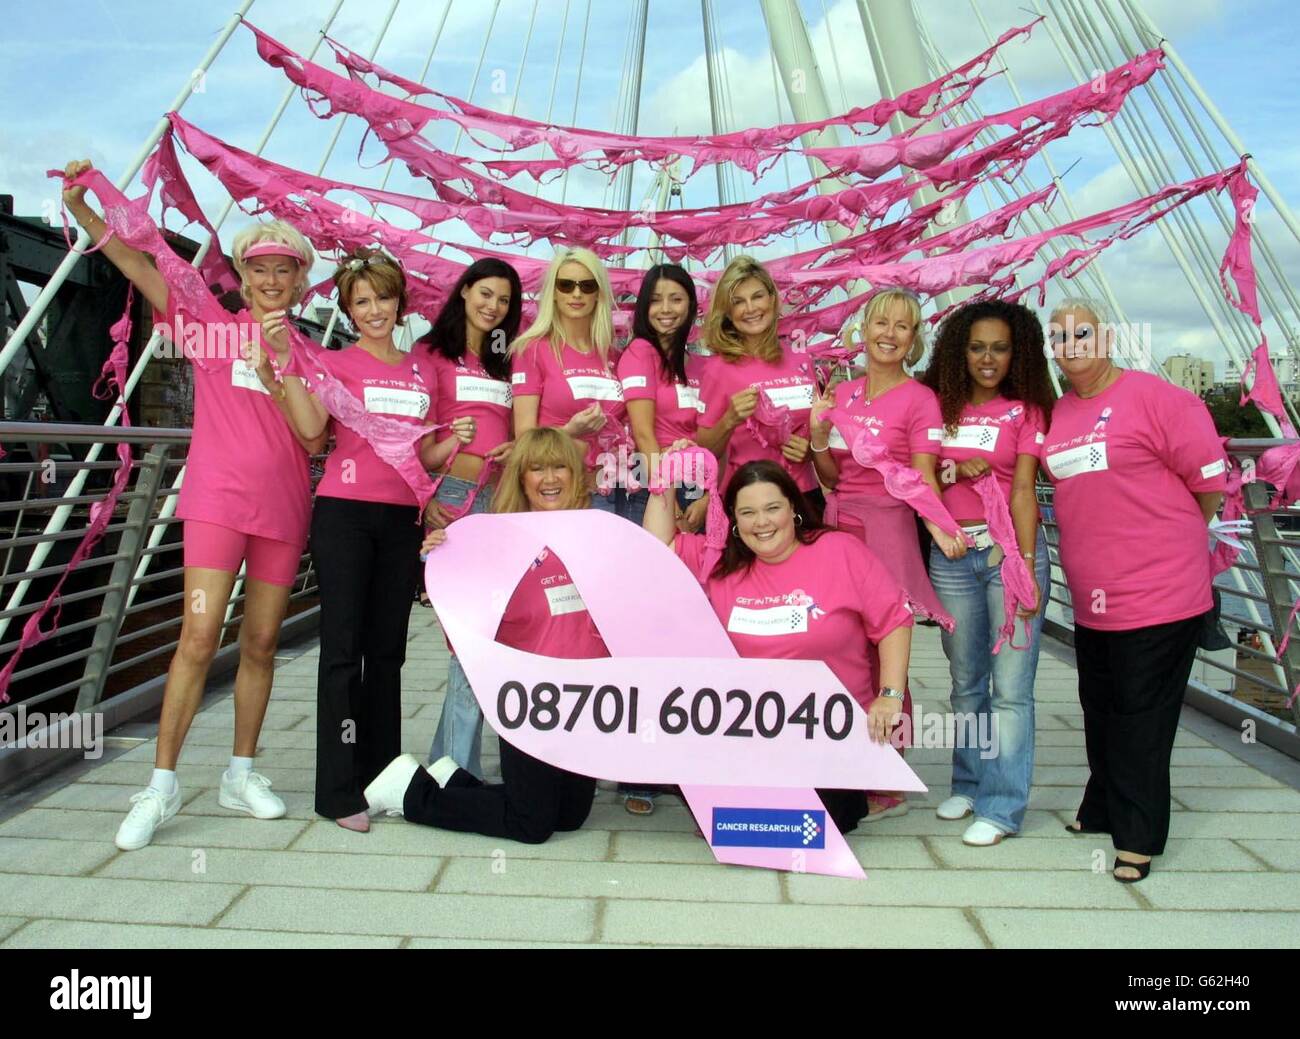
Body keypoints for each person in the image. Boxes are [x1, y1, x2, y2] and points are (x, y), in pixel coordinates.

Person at [62, 160, 324, 851]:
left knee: (262, 643)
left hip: (284, 512)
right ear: (242, 275)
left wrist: (276, 369)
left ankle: (240, 774)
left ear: (302, 283)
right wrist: (88, 213)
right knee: (199, 639)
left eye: (284, 271)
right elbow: (139, 264)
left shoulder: (311, 354)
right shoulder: (211, 330)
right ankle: (161, 785)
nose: (271, 281)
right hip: (215, 505)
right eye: (260, 269)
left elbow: (314, 434)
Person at [269, 248, 473, 831]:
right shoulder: (333, 363)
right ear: (349, 309)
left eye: (383, 297)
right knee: (341, 653)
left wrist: (452, 439)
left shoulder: (423, 369)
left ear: (399, 302)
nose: (375, 309)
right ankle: (337, 791)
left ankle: (383, 772)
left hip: (401, 518)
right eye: (362, 301)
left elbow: (423, 457)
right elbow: (311, 434)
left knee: (388, 652)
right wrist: (287, 365)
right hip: (345, 513)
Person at [1042, 298, 1226, 882]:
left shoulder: (1161, 399)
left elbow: (1207, 488)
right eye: (1059, 336)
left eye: (1082, 333)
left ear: (1109, 337)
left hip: (1160, 588)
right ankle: (1101, 806)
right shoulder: (1062, 411)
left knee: (1143, 715)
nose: (1070, 345)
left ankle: (1138, 838)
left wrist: (1168, 539)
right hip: (1093, 593)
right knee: (1101, 704)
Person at [642, 457, 914, 834]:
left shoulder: (840, 551)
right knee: (744, 815)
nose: (762, 522)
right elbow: (656, 547)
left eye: (773, 508)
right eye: (748, 512)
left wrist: (889, 696)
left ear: (793, 508)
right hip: (749, 731)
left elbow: (895, 621)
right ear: (734, 520)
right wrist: (668, 472)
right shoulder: (721, 561)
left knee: (809, 823)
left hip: (828, 733)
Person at [362, 428, 602, 844]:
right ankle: (409, 792)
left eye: (560, 466)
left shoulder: (597, 535)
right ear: (520, 478)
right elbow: (462, 613)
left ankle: (452, 781)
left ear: (576, 475)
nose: (549, 479)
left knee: (570, 816)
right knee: (532, 825)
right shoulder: (494, 539)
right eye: (536, 468)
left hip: (584, 697)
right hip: (529, 697)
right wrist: (443, 559)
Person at [809, 288, 965, 820]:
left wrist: (937, 526)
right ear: (864, 329)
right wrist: (815, 436)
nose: (890, 334)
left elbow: (921, 477)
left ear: (914, 338)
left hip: (889, 527)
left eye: (903, 326)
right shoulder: (844, 392)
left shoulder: (921, 401)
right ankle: (844, 761)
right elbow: (830, 476)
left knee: (887, 648)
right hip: (839, 525)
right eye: (881, 322)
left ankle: (889, 776)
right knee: (843, 644)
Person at [919, 300, 1055, 846]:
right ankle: (970, 783)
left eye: (1000, 348)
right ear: (959, 351)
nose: (988, 358)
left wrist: (1021, 563)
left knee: (1011, 689)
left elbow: (1023, 489)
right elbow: (922, 474)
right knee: (965, 682)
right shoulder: (936, 406)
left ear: (1016, 352)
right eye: (977, 347)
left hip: (1007, 555)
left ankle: (1002, 808)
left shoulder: (1027, 411)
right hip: (952, 554)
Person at [420, 258, 522, 778]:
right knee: (469, 638)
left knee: (484, 636)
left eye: (504, 300)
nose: (493, 306)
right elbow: (409, 434)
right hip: (456, 498)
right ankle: (457, 771)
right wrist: (425, 498)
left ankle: (447, 761)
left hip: (501, 503)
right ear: (463, 292)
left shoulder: (507, 362)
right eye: (485, 294)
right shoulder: (432, 354)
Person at [615, 263, 704, 815]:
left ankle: (686, 762)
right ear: (643, 306)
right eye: (658, 299)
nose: (667, 309)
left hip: (700, 490)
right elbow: (645, 432)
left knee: (690, 628)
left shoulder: (695, 364)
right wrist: (667, 495)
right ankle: (637, 774)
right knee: (647, 628)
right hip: (658, 491)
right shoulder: (639, 355)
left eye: (678, 299)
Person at [510, 249, 635, 519]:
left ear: (598, 293)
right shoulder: (531, 350)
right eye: (566, 285)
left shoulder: (615, 355)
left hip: (619, 493)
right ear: (553, 292)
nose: (576, 294)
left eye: (586, 286)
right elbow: (524, 438)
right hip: (560, 498)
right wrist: (568, 431)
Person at [695, 256, 820, 509]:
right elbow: (702, 451)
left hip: (804, 496)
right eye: (738, 302)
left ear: (772, 300)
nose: (750, 308)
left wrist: (811, 451)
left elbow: (818, 428)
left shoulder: (802, 359)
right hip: (751, 503)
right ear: (728, 313)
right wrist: (729, 419)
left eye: (757, 296)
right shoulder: (718, 369)